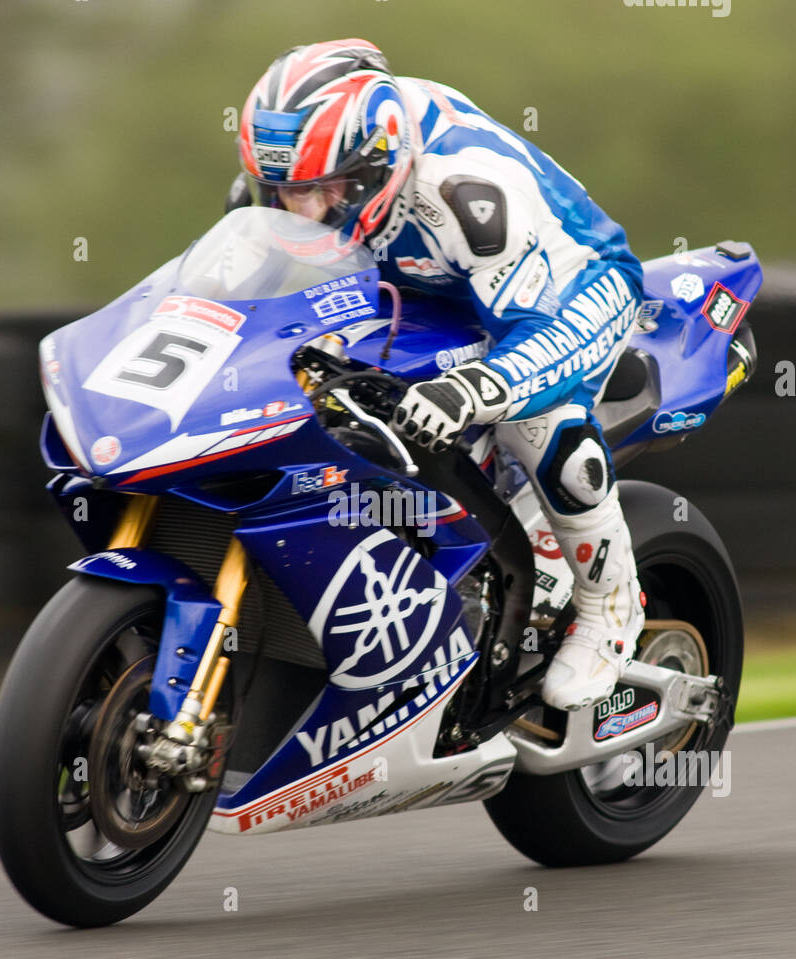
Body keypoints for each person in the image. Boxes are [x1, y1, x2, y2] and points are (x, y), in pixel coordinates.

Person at [232, 38, 645, 712]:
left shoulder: (466, 191)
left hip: (566, 288)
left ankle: (611, 606)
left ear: (378, 161)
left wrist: (472, 388)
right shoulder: (299, 182)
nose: (303, 209)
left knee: (530, 412)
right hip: (436, 286)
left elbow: (531, 332)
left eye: (324, 188)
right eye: (284, 188)